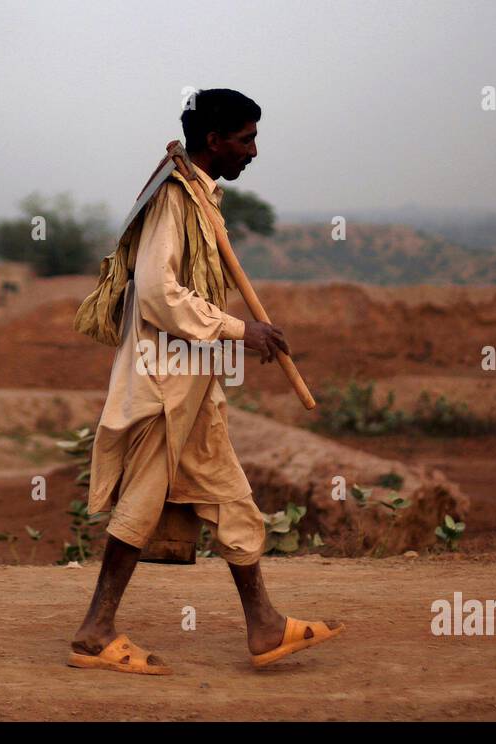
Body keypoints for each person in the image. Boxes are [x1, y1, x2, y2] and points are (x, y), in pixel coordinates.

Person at [69, 89, 343, 675]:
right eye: (245, 139)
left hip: (193, 382)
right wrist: (239, 330)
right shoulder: (173, 198)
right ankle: (95, 632)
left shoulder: (201, 198)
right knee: (141, 502)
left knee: (230, 495)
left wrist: (233, 337)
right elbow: (156, 294)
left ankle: (265, 626)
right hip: (162, 385)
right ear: (214, 140)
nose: (253, 151)